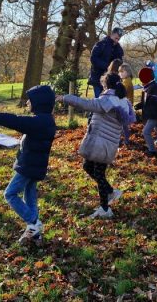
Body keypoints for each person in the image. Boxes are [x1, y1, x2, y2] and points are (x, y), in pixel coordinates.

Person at [0, 85, 57, 245]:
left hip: (29, 166)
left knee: (10, 194)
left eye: (30, 100)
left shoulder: (40, 121)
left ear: (38, 102)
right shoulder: (44, 121)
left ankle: (34, 222)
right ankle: (34, 233)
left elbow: (16, 121)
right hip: (34, 165)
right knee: (30, 197)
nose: (27, 103)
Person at [59, 73, 133, 219]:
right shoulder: (121, 100)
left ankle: (105, 208)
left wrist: (65, 98)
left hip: (102, 143)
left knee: (99, 174)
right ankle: (111, 191)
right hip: (107, 142)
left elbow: (87, 104)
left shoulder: (108, 100)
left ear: (105, 85)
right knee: (87, 166)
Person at [136, 66, 157, 157]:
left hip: (154, 114)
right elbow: (146, 101)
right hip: (154, 114)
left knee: (146, 131)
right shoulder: (148, 87)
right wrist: (139, 105)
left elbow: (156, 101)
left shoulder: (154, 87)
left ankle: (152, 150)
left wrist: (152, 109)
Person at [88, 27, 124, 97]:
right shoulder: (101, 44)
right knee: (99, 102)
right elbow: (93, 58)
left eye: (118, 39)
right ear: (112, 34)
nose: (117, 41)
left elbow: (120, 62)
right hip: (98, 78)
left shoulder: (118, 48)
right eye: (116, 38)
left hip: (111, 81)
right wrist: (108, 66)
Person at [118, 63, 136, 145]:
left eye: (122, 72)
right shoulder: (126, 80)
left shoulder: (126, 82)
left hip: (125, 105)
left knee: (122, 123)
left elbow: (121, 92)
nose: (120, 74)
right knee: (124, 124)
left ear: (127, 72)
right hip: (127, 104)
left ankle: (125, 139)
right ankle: (125, 138)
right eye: (119, 72)